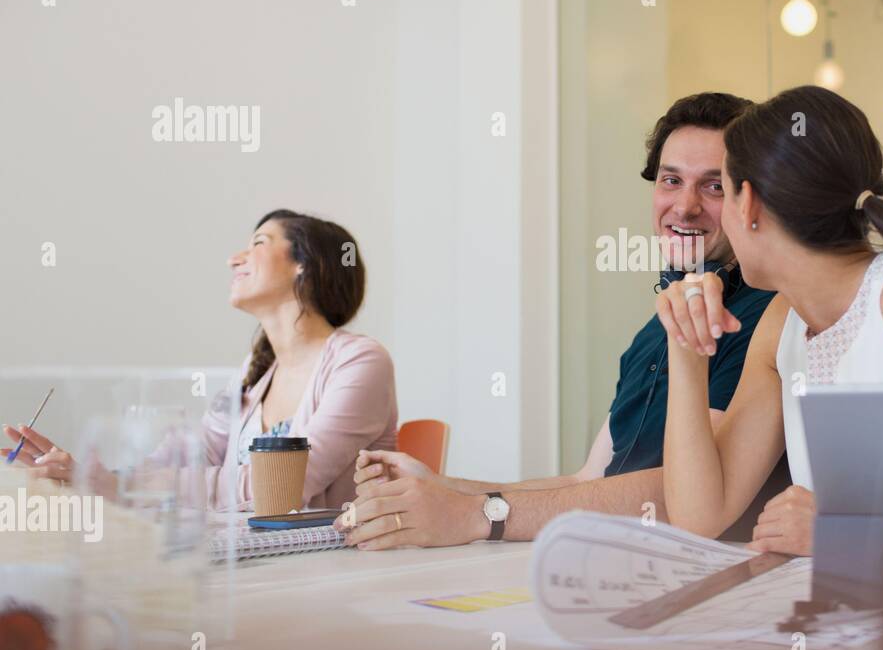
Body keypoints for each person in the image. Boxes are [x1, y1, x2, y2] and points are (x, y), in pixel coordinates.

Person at [336, 93, 782, 548]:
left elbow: (678, 496)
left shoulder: (762, 317)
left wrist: (475, 514)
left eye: (713, 187)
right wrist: (442, 486)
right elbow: (587, 479)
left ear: (747, 202)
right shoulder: (651, 335)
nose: (684, 206)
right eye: (671, 180)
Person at [654, 85, 883, 556]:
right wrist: (685, 346)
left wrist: (850, 534)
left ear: (747, 204)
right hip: (844, 616)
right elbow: (699, 516)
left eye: (720, 191)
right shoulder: (782, 323)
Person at [4, 210, 398, 511]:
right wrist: (84, 475)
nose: (234, 259)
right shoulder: (253, 372)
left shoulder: (361, 362)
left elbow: (283, 487)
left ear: (305, 265)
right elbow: (190, 454)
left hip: (333, 574)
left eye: (258, 243)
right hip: (253, 565)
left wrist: (120, 486)